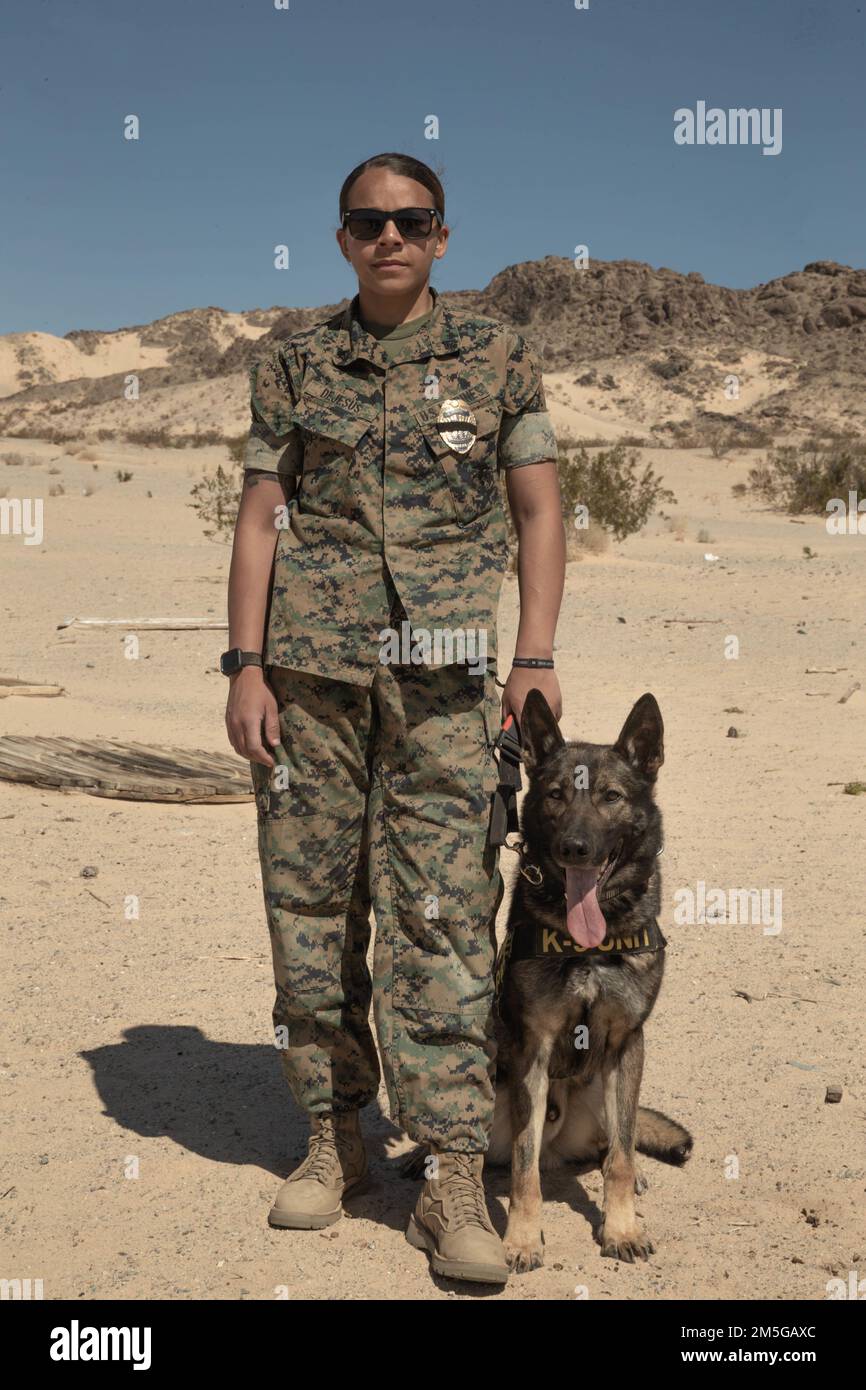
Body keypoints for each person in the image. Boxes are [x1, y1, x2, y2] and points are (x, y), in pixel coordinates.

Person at [223, 151, 565, 1285]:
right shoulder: (292, 365)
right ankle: (335, 1141)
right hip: (310, 683)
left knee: (446, 915)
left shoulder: (499, 357)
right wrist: (244, 666)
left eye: (411, 221)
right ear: (341, 238)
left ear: (441, 236)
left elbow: (537, 509)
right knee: (309, 911)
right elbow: (261, 517)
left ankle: (453, 1172)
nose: (389, 238)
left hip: (446, 686)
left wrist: (534, 656)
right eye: (368, 222)